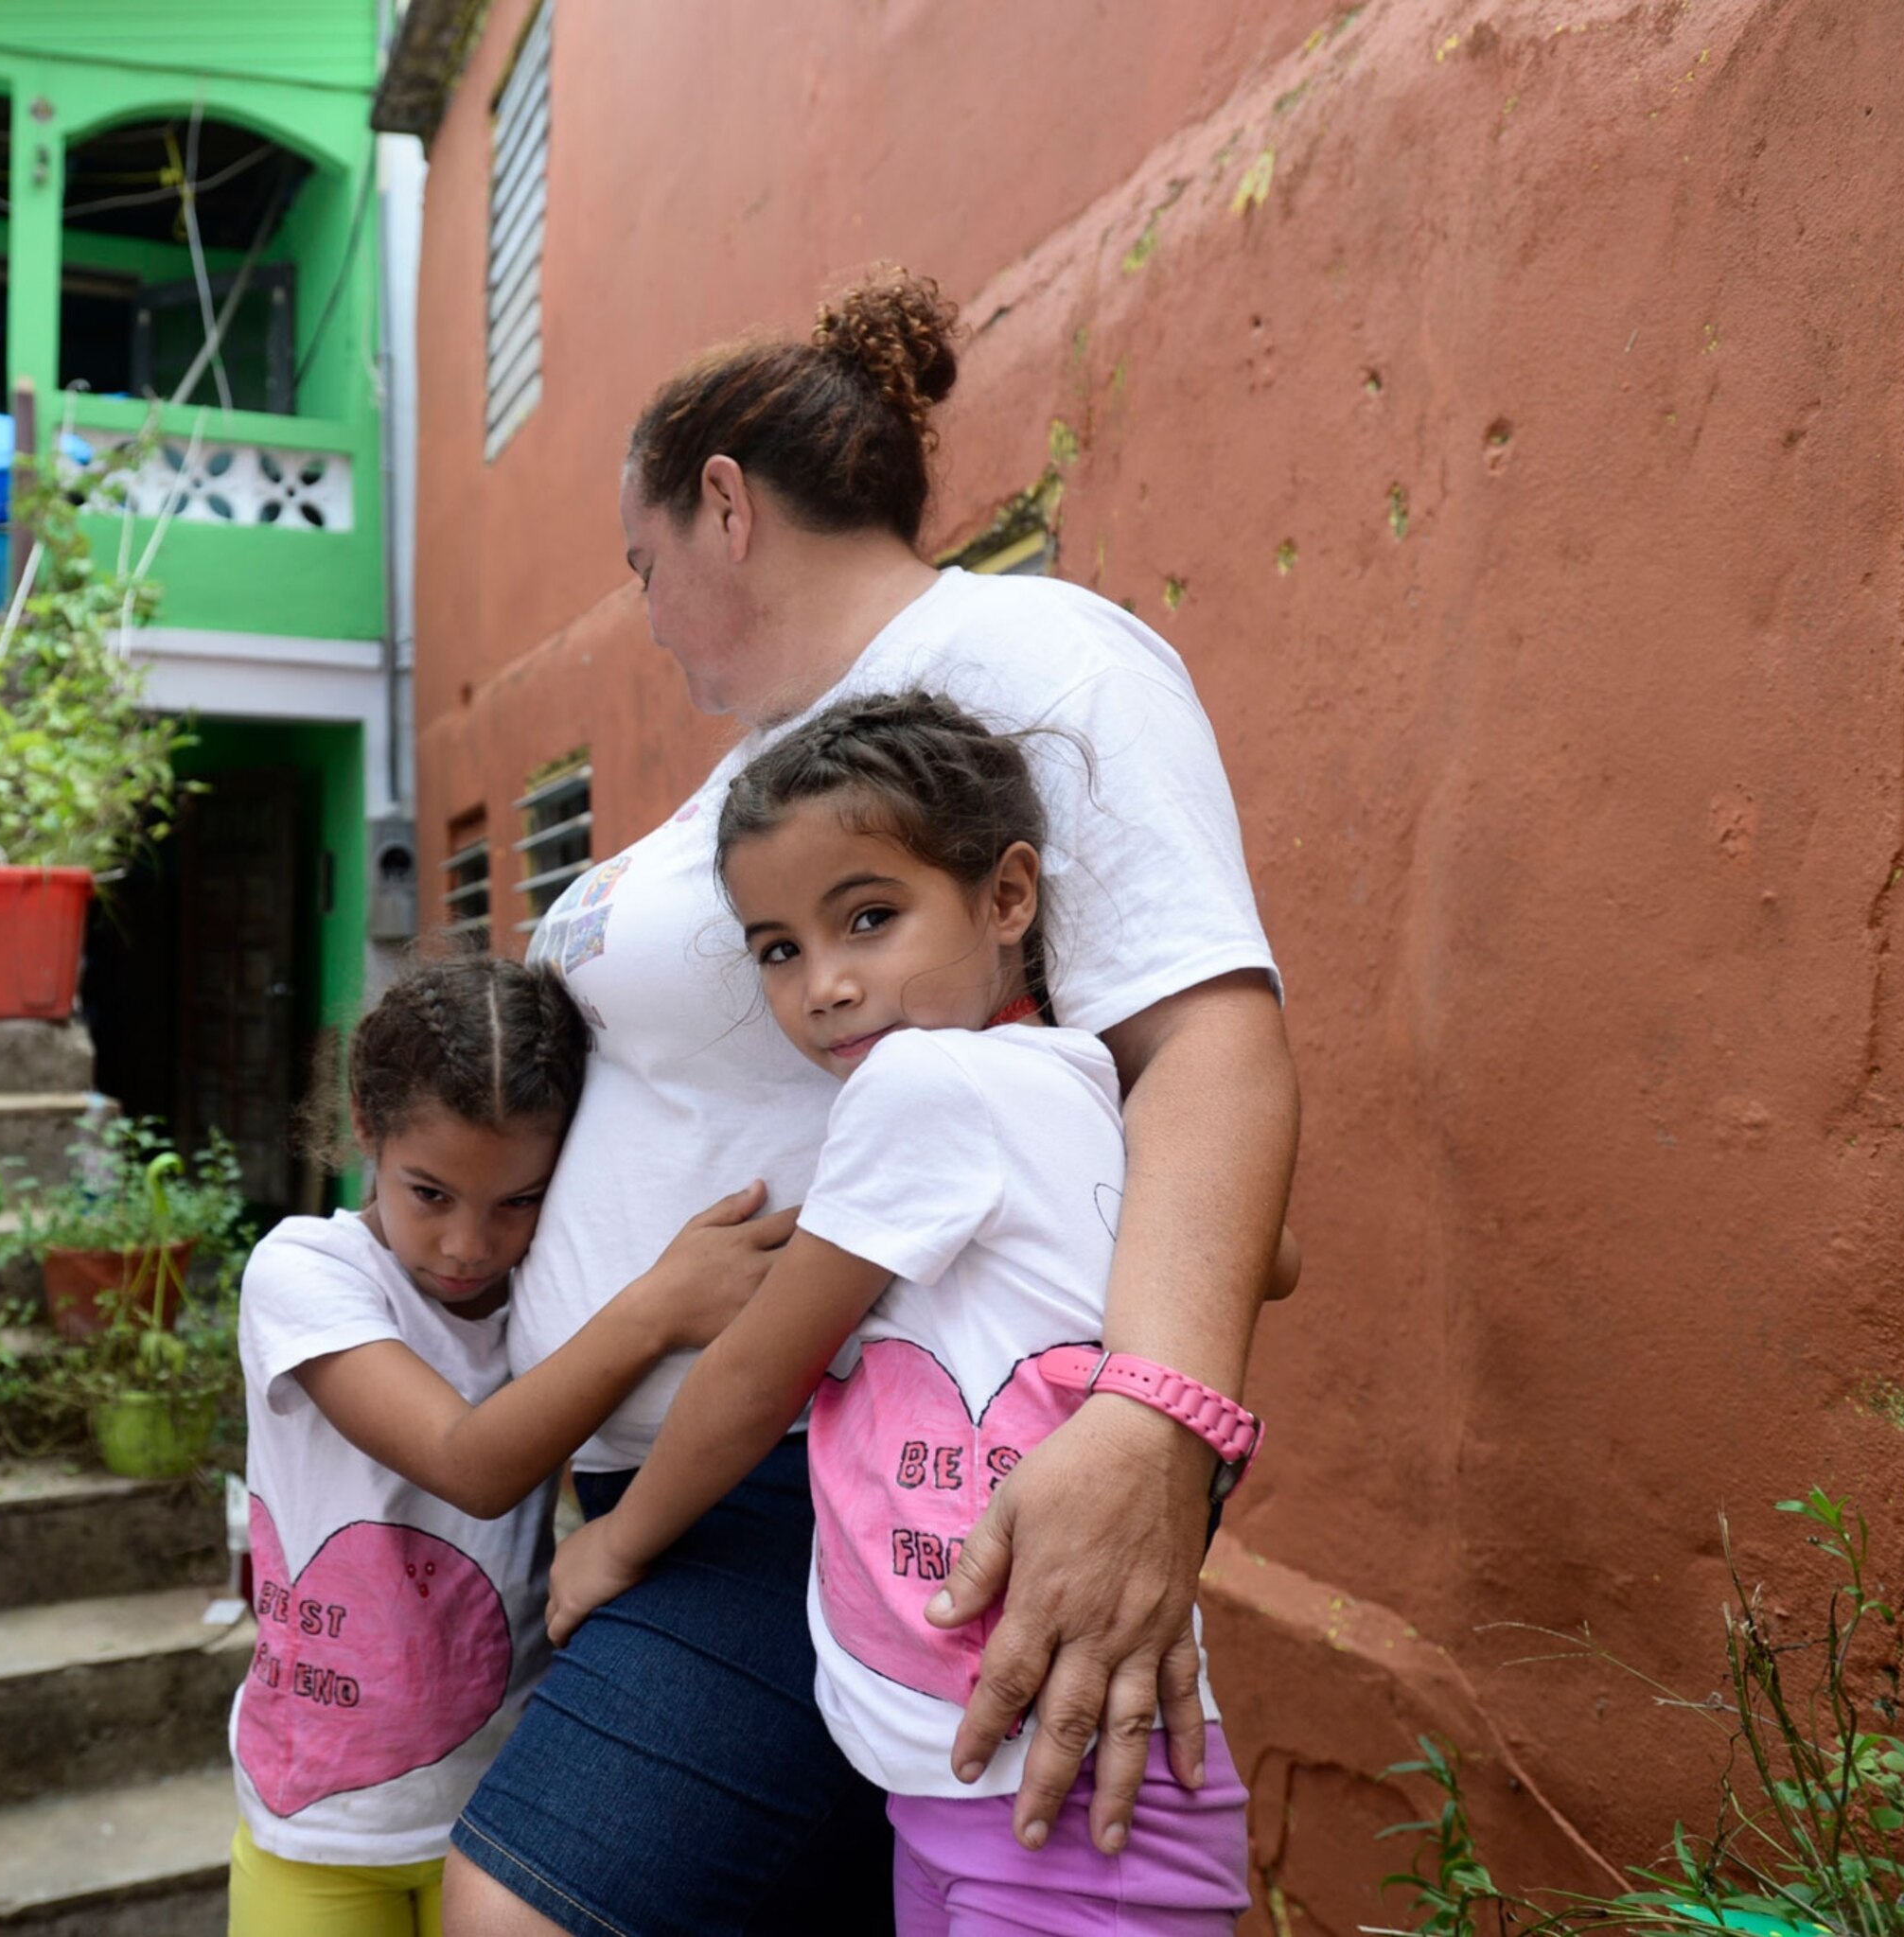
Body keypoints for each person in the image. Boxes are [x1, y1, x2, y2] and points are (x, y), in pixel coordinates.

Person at [444, 270, 1298, 1937]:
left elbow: (1205, 1039)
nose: (645, 615)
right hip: (657, 1473)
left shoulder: (1025, 649)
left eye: (641, 569)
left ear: (721, 503)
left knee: (516, 1915)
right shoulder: (770, 762)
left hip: (821, 1466)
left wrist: (1158, 1422)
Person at [544, 690, 1256, 1935]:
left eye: (869, 917)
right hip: (987, 1785)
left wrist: (616, 1538)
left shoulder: (922, 1085)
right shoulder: (1090, 1082)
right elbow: (1277, 1254)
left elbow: (758, 1368)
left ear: (1006, 898)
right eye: (778, 947)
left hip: (1056, 1807)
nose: (823, 984)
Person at [227, 955, 798, 1937]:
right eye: (430, 1193)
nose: (467, 1244)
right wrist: (656, 1307)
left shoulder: (545, 1302)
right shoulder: (308, 1273)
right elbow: (471, 1463)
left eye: (517, 1202)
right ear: (366, 1128)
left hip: (498, 1802)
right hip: (318, 1822)